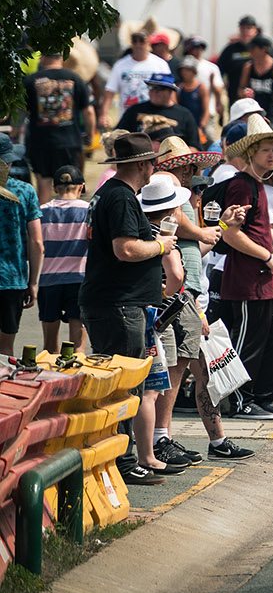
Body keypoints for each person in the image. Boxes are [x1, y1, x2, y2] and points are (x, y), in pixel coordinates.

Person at [80, 134, 177, 485]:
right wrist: (160, 245)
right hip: (119, 305)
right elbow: (125, 249)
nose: (155, 167)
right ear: (140, 164)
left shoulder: (112, 194)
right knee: (124, 386)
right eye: (152, 162)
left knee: (119, 384)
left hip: (115, 303)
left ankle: (117, 457)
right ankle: (121, 460)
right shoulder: (120, 197)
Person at [217, 125, 273, 421]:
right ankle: (241, 401)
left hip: (264, 280)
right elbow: (231, 235)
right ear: (251, 153)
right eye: (266, 150)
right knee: (248, 342)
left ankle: (263, 398)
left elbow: (261, 232)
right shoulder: (242, 185)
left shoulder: (260, 186)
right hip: (245, 280)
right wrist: (267, 256)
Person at [24, 49, 94, 201]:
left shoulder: (30, 81)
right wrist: (90, 133)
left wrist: (17, 132)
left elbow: (23, 111)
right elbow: (88, 111)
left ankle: (45, 223)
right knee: (70, 185)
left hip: (40, 141)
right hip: (68, 141)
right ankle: (72, 222)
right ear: (62, 58)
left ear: (42, 58)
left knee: (43, 185)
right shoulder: (75, 78)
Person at [35, 164, 90, 354]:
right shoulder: (88, 210)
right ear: (81, 187)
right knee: (78, 347)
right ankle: (76, 377)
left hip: (49, 280)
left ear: (54, 188)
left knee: (49, 346)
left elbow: (36, 244)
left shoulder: (42, 211)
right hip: (79, 279)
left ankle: (51, 379)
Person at [0, 139, 42, 359]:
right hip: (12, 279)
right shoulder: (25, 191)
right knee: (6, 350)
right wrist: (33, 282)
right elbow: (37, 242)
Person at [114, 70, 199, 143]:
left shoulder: (184, 114)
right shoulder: (134, 111)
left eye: (160, 88)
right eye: (151, 87)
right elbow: (118, 136)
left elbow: (195, 146)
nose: (154, 91)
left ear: (171, 91)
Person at [105, 26, 172, 117]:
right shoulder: (120, 65)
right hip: (128, 117)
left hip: (154, 117)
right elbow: (110, 91)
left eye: (141, 41)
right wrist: (103, 115)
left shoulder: (160, 64)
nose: (138, 45)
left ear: (148, 42)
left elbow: (170, 91)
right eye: (135, 41)